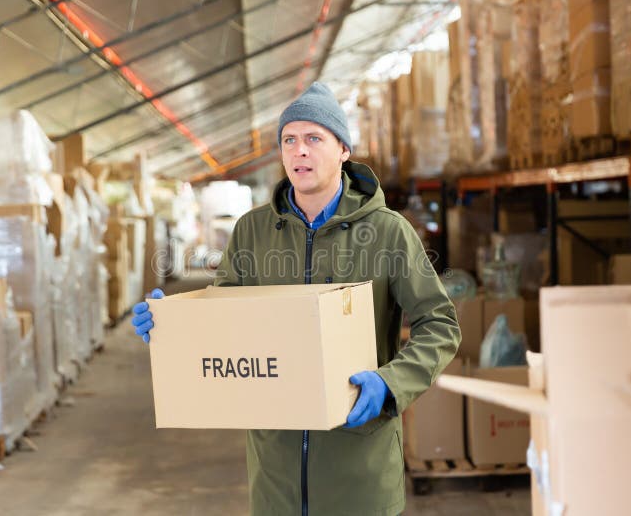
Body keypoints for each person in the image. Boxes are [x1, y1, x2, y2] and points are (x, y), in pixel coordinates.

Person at [131, 82, 460, 515]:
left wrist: (390, 383)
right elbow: (223, 323)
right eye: (289, 140)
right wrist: (172, 327)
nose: (299, 150)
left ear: (343, 149)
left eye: (313, 138)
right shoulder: (252, 231)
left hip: (358, 474)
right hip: (276, 474)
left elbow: (439, 324)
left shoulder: (387, 231)